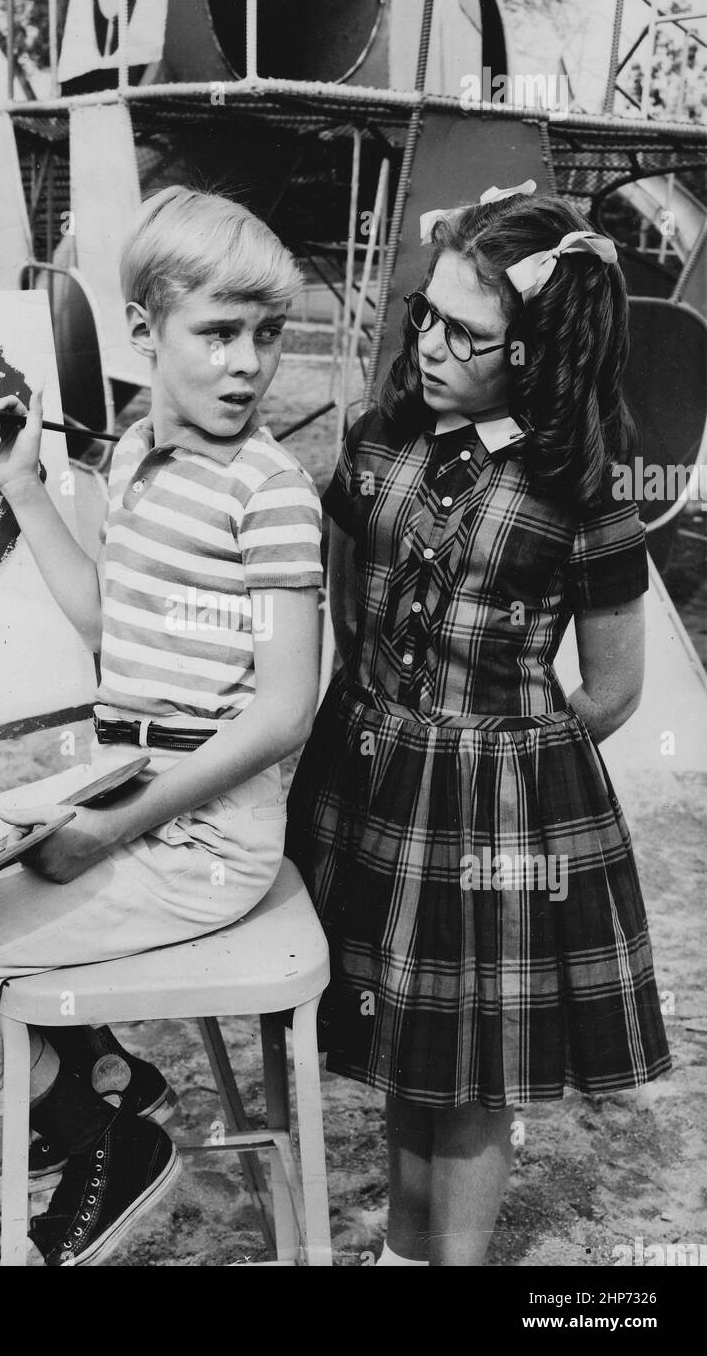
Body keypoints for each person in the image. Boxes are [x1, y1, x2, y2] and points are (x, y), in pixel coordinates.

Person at [0, 186, 323, 1266]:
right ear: (145, 332)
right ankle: (97, 1067)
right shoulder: (141, 451)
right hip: (118, 787)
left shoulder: (272, 490)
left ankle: (104, 1140)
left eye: (267, 336)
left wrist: (113, 827)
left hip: (201, 838)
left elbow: (283, 709)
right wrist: (21, 487)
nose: (247, 363)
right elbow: (111, 618)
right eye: (218, 333)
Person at [284, 183, 672, 1268]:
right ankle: (402, 1253)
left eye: (469, 333)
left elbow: (610, 690)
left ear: (539, 352)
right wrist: (385, 719)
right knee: (405, 1051)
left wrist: (495, 756)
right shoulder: (377, 445)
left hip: (492, 810)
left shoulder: (579, 494)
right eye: (428, 315)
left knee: (469, 1072)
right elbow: (346, 601)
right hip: (367, 772)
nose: (432, 346)